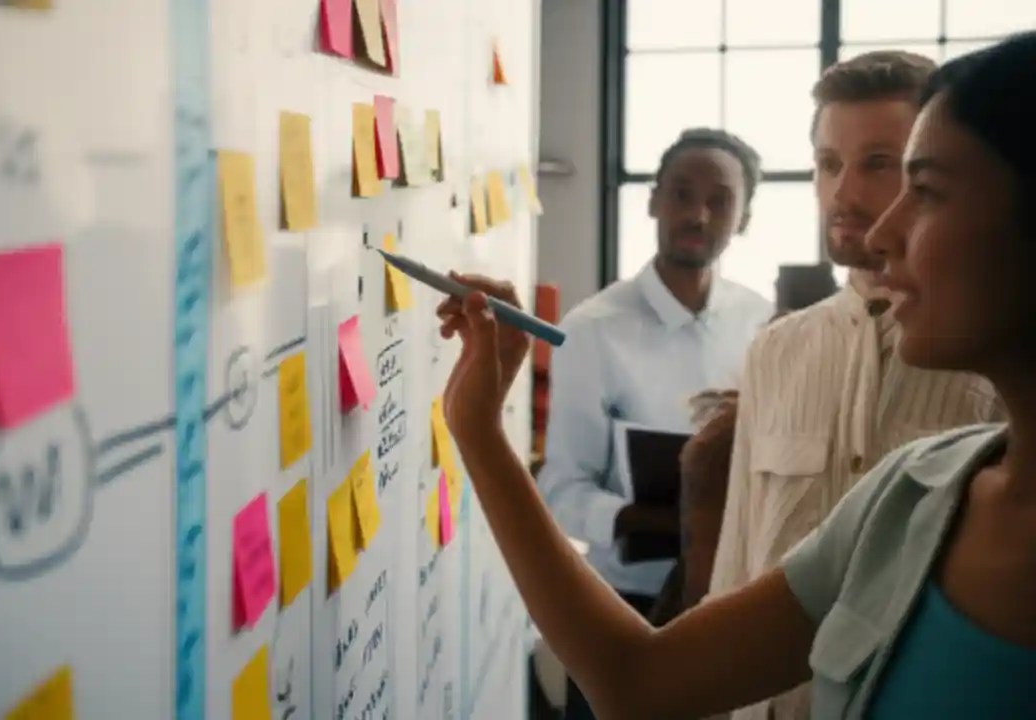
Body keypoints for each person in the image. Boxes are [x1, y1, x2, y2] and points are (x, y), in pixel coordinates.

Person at [434, 33, 1036, 719]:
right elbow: (642, 679)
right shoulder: (910, 498)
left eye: (919, 186)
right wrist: (477, 428)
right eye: (828, 164)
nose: (878, 226)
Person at [704, 49, 1007, 719]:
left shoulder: (987, 355)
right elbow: (734, 568)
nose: (843, 193)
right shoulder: (774, 352)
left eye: (878, 163)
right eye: (828, 164)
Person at [538, 127, 773, 616]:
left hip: (738, 596)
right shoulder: (591, 330)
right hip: (626, 604)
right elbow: (560, 490)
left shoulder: (765, 325)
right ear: (653, 203)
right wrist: (639, 519)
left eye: (720, 202)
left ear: (745, 220)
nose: (696, 215)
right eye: (681, 195)